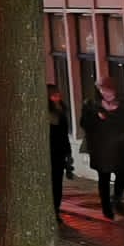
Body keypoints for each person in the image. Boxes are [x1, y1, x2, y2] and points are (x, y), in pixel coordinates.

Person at [80, 80, 124, 219]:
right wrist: (97, 118)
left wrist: (107, 117)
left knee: (121, 176)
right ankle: (106, 207)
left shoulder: (123, 105)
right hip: (101, 149)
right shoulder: (91, 106)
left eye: (109, 91)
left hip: (119, 148)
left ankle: (117, 200)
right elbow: (84, 124)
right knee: (104, 178)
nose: (107, 94)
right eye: (104, 91)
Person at [48, 85, 74, 218]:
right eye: (54, 95)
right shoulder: (48, 113)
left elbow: (63, 135)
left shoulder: (62, 111)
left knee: (57, 181)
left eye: (58, 95)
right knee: (53, 181)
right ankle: (53, 208)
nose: (57, 97)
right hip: (50, 151)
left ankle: (56, 208)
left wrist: (68, 153)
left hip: (59, 151)